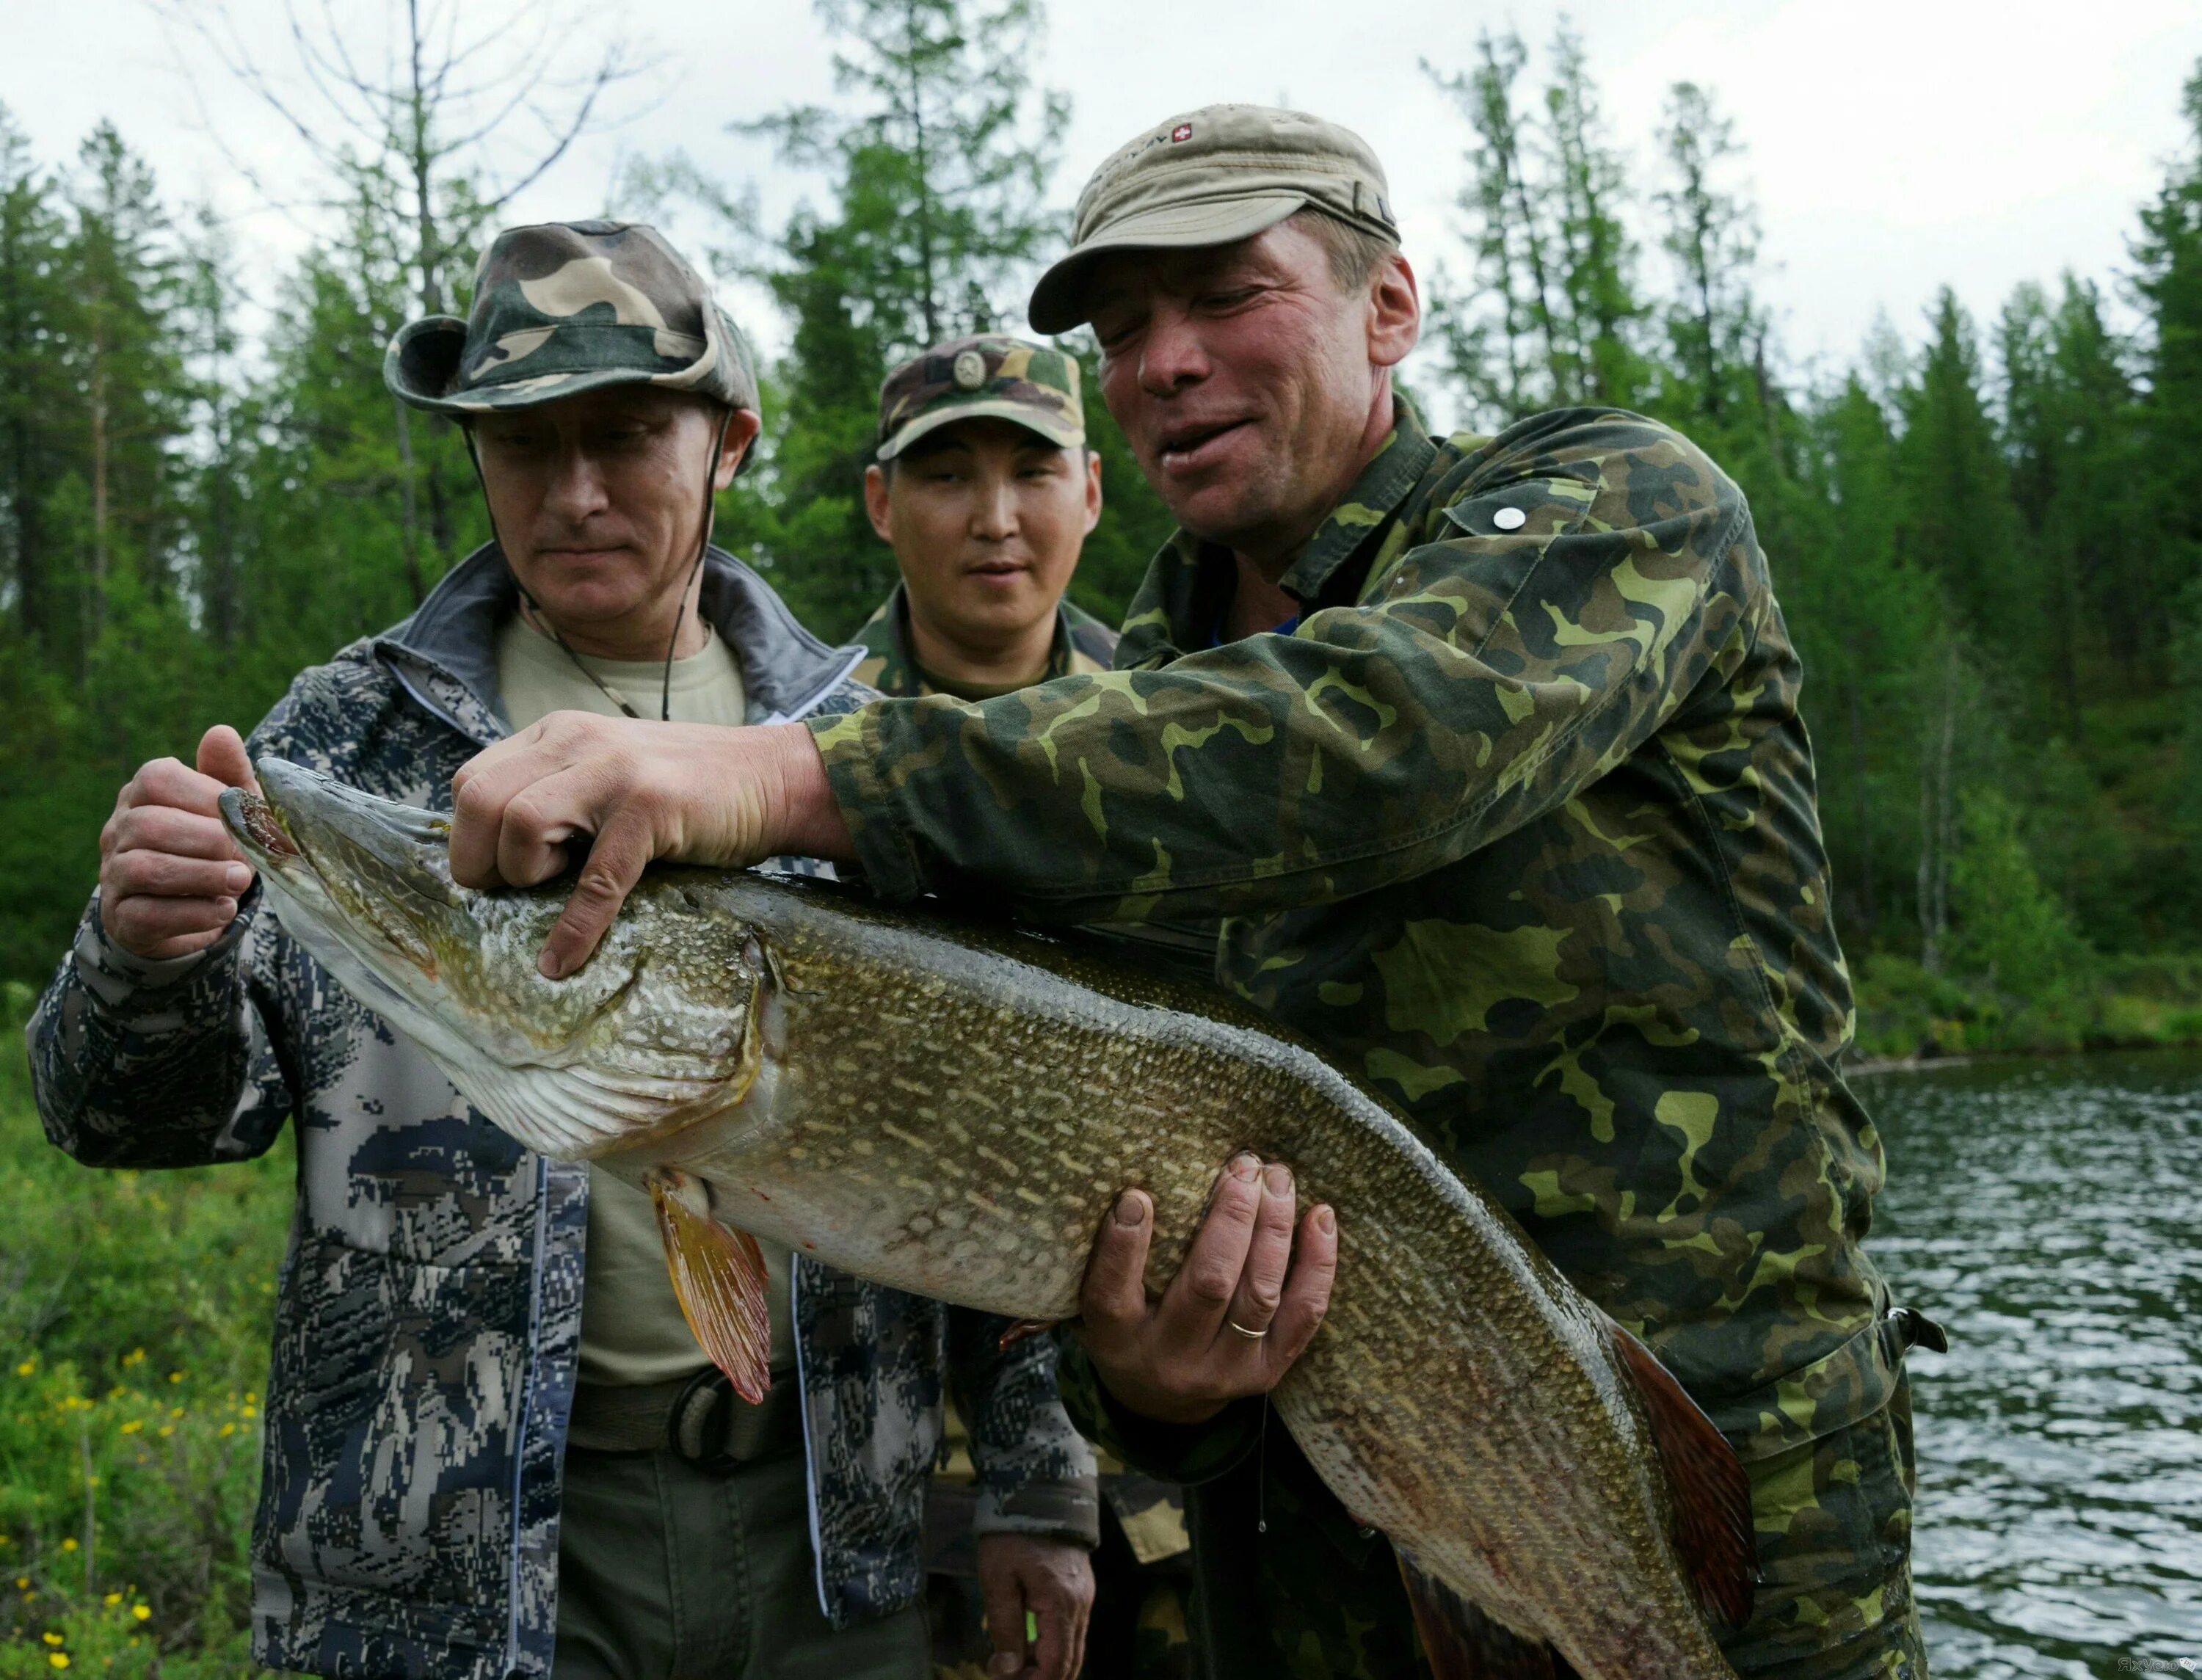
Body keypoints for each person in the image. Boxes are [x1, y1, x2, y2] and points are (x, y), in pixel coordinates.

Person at [429, 105, 1939, 1680]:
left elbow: (1375, 743)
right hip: (1302, 1580)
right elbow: (1088, 1282)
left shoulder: (1614, 507)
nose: (1163, 360)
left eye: (1228, 296)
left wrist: (803, 776)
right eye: (1126, 324)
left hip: (1704, 1511)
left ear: (1390, 306)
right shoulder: (1116, 715)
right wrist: (1153, 1387)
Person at [26, 219, 1098, 1680]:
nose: (575, 490)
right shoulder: (348, 740)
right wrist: (150, 954)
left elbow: (1001, 1148)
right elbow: (123, 1120)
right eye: (525, 442)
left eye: (625, 434)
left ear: (728, 441)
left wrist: (1037, 1481)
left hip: (830, 1551)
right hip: (457, 1569)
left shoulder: (860, 742)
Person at [851, 334, 1199, 1678]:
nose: (996, 518)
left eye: (1030, 471)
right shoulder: (788, 757)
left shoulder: (1188, 749)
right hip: (905, 1499)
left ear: (1094, 494)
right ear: (884, 505)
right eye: (947, 474)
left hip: (1172, 1464)